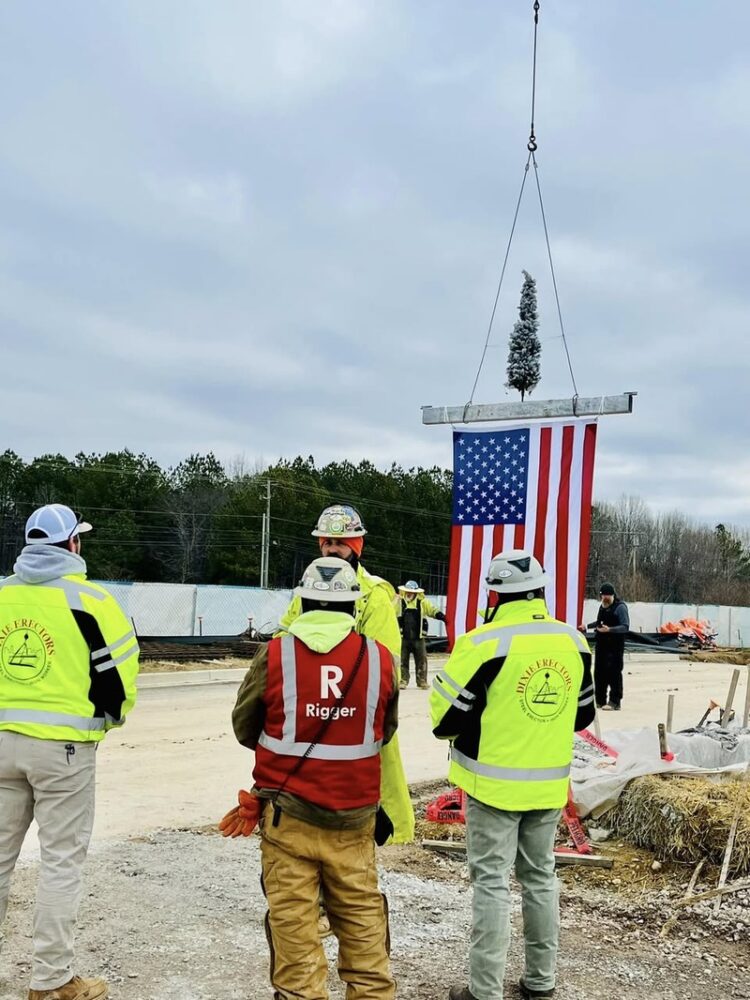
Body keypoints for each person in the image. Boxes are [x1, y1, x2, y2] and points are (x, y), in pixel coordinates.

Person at [430, 550, 595, 1000]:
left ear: (494, 595)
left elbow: (444, 720)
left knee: (491, 882)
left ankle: (485, 991)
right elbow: (583, 716)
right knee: (540, 878)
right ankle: (541, 981)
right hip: (547, 787)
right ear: (540, 590)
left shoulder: (483, 643)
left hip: (493, 788)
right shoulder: (574, 642)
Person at [232, 557, 397, 1000]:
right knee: (362, 926)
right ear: (353, 606)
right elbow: (385, 731)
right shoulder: (380, 659)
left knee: (295, 933)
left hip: (288, 820)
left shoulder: (274, 655)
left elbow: (244, 728)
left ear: (303, 602)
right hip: (355, 822)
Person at [0, 504, 139, 1000]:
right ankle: (51, 981)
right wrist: (106, 721)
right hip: (63, 752)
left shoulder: (2, 594)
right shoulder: (92, 601)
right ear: (73, 544)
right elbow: (121, 677)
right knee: (60, 861)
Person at [278, 504, 414, 843]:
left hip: (355, 708)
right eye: (327, 542)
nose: (332, 549)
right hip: (313, 707)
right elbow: (283, 642)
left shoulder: (374, 595)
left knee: (368, 787)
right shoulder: (307, 589)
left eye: (340, 543)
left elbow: (385, 663)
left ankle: (383, 833)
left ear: (356, 546)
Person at [585, 582, 629, 711]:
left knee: (614, 674)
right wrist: (586, 626)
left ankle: (615, 702)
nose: (605, 598)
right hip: (602, 645)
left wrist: (609, 630)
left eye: (607, 596)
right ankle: (600, 700)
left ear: (612, 595)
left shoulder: (620, 608)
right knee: (599, 673)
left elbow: (625, 626)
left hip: (614, 647)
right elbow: (599, 622)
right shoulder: (602, 606)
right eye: (603, 596)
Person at [394, 580, 445, 689]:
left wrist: (441, 616)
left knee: (422, 660)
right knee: (402, 660)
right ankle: (403, 681)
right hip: (403, 637)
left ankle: (422, 681)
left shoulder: (423, 602)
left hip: (419, 638)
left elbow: (432, 610)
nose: (409, 594)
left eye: (411, 592)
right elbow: (391, 612)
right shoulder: (399, 602)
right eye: (407, 591)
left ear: (416, 593)